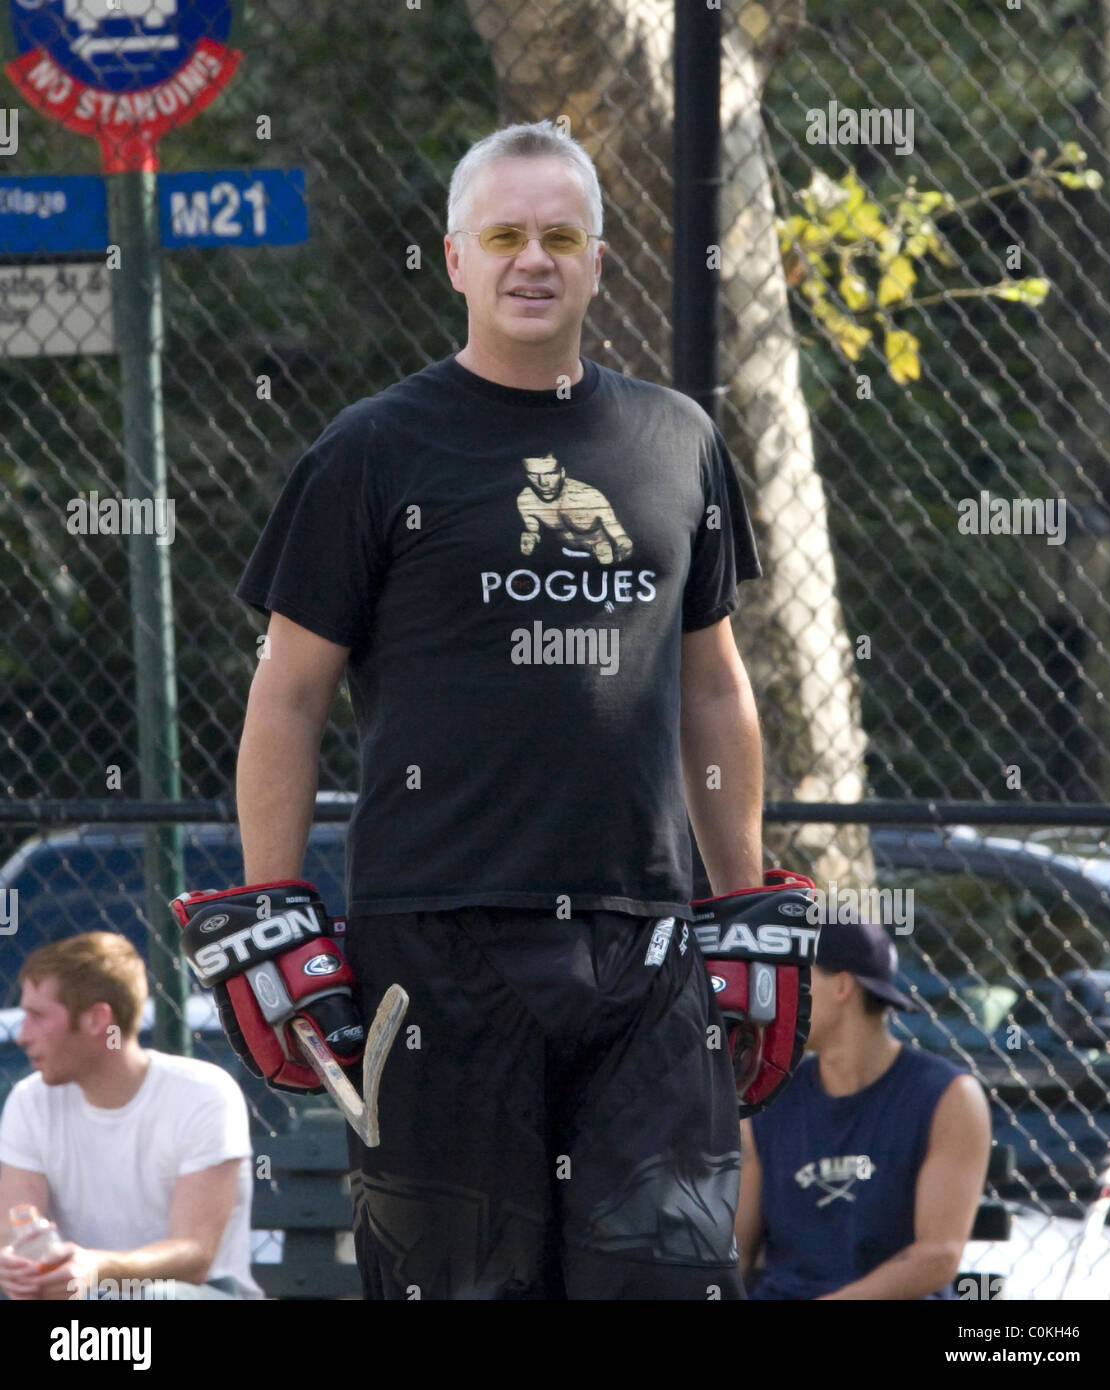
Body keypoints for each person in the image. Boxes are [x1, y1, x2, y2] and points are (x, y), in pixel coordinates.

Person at [214, 117, 772, 1301]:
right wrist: (272, 900)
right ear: (457, 259)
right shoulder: (371, 450)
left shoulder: (678, 440)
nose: (534, 259)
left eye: (560, 235)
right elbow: (288, 693)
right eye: (505, 234)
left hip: (647, 944)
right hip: (436, 940)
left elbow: (714, 687)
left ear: (597, 260)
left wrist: (741, 899)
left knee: (667, 1284)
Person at [735, 919, 992, 1300]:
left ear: (842, 986)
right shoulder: (769, 1098)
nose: (777, 997)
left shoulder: (950, 1097)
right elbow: (735, 1253)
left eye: (796, 979)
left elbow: (938, 1256)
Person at [0, 933, 261, 1300]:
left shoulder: (203, 1092)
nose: (23, 1035)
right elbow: (15, 1229)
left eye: (37, 1016)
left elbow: (195, 1255)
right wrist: (19, 1265)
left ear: (97, 1019)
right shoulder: (28, 1100)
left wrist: (96, 1269)